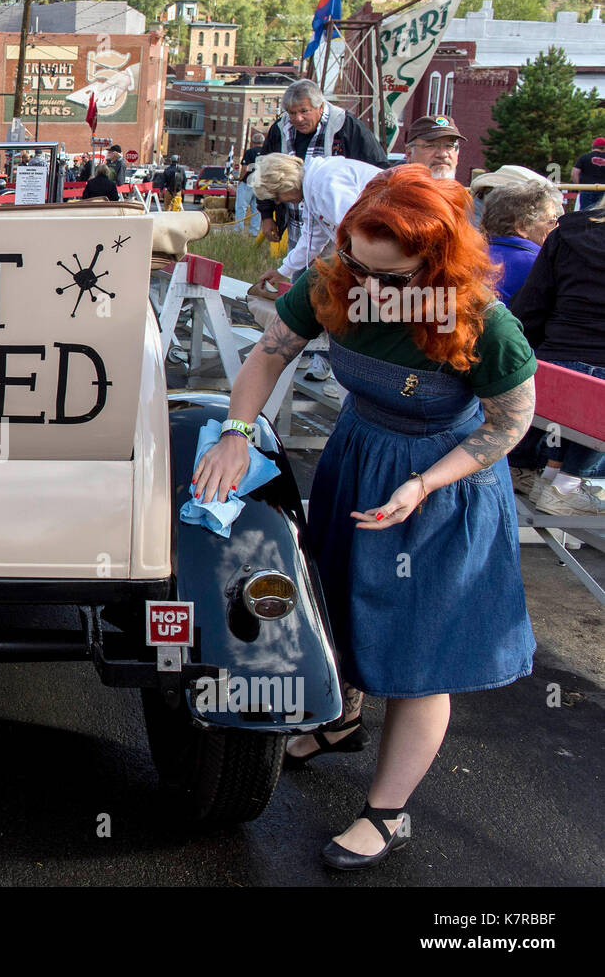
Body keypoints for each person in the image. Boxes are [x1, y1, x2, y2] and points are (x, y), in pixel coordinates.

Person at [194, 164, 537, 869]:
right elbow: (268, 355)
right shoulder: (335, 282)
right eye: (358, 264)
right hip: (360, 456)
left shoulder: (483, 323)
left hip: (442, 487)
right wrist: (236, 430)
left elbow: (509, 425)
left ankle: (387, 814)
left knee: (420, 657)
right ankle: (341, 720)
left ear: (438, 264)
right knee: (338, 607)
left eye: (394, 277)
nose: (371, 289)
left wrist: (425, 483)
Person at [507, 201, 605, 514]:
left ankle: (552, 477)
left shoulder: (569, 231)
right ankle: (566, 484)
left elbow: (531, 307)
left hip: (552, 371)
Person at [256, 79, 388, 248]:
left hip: (342, 231)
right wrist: (267, 215)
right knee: (300, 265)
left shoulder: (346, 127)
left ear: (320, 107)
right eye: (292, 113)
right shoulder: (280, 129)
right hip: (299, 226)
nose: (298, 118)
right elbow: (264, 174)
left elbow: (380, 171)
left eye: (304, 111)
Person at [252, 153, 384, 287]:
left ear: (285, 184)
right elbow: (311, 239)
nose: (279, 202)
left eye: (277, 196)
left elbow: (358, 229)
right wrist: (283, 271)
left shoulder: (323, 186)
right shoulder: (314, 187)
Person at [480, 179, 562, 303]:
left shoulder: (467, 256)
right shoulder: (541, 263)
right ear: (522, 227)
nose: (557, 227)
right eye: (552, 221)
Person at [403, 115, 463, 180]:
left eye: (449, 145)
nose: (442, 154)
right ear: (409, 153)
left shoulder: (464, 190)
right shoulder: (397, 189)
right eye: (431, 146)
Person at [235, 132, 264, 235]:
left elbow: (245, 168)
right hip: (260, 184)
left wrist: (240, 179)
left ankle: (238, 230)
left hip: (248, 183)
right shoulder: (267, 152)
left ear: (253, 142)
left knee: (241, 207)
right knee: (256, 209)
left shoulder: (249, 152)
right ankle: (254, 232)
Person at [571, 136, 605, 212]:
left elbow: (574, 173)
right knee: (601, 216)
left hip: (587, 189)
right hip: (604, 190)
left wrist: (579, 187)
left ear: (593, 146)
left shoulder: (584, 157)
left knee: (585, 215)